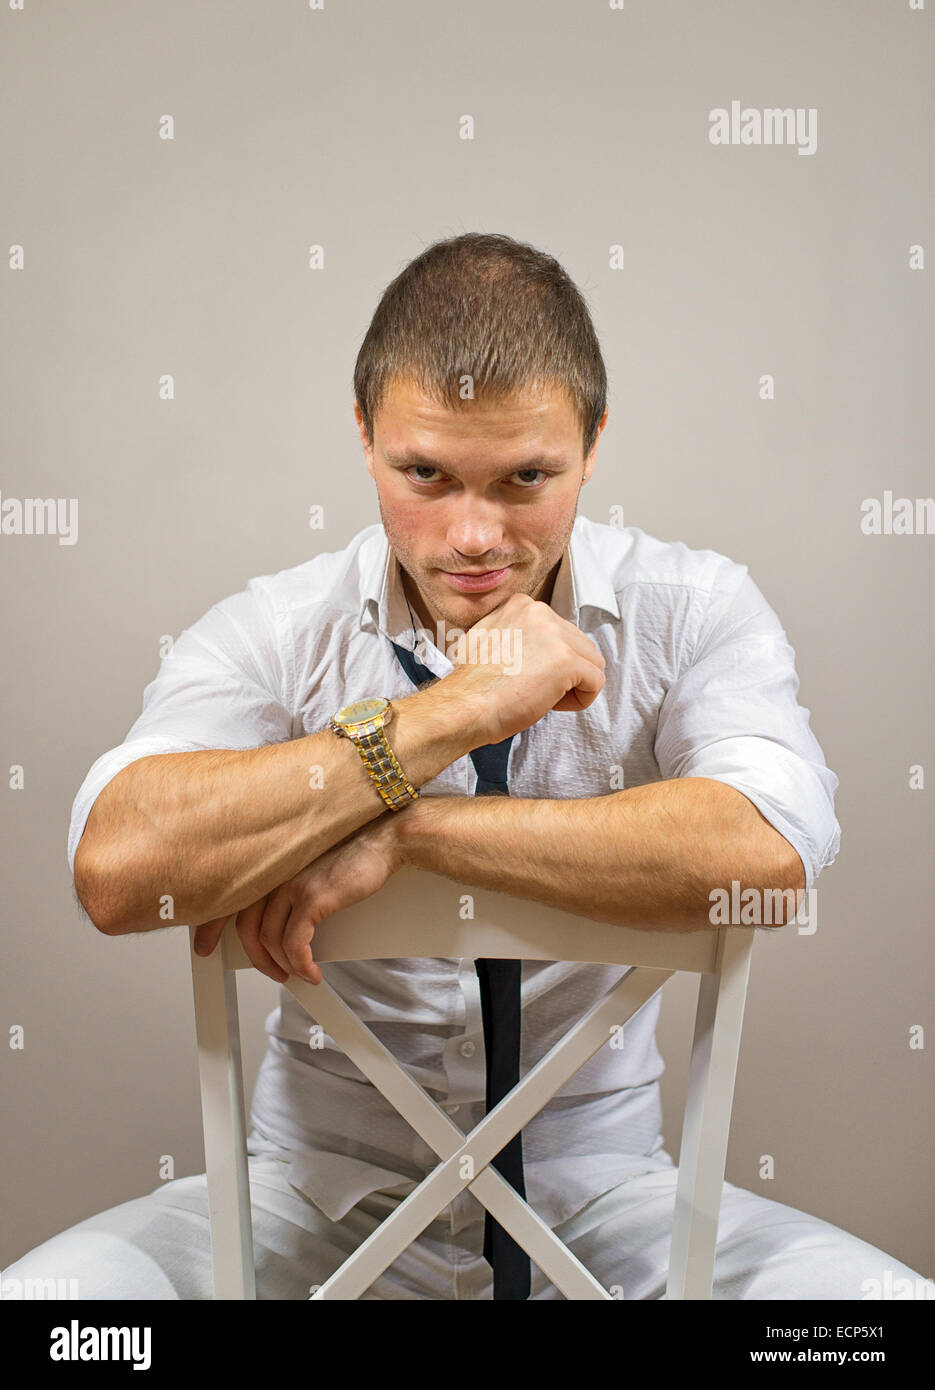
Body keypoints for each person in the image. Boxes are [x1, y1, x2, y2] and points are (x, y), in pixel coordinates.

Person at [3, 232, 925, 1301]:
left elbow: (764, 852)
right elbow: (118, 867)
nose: (474, 535)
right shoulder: (279, 624)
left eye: (527, 476)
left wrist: (404, 832)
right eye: (424, 475)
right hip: (304, 1195)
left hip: (606, 1196)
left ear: (594, 442)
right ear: (362, 437)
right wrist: (445, 717)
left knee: (871, 1328)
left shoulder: (697, 608)